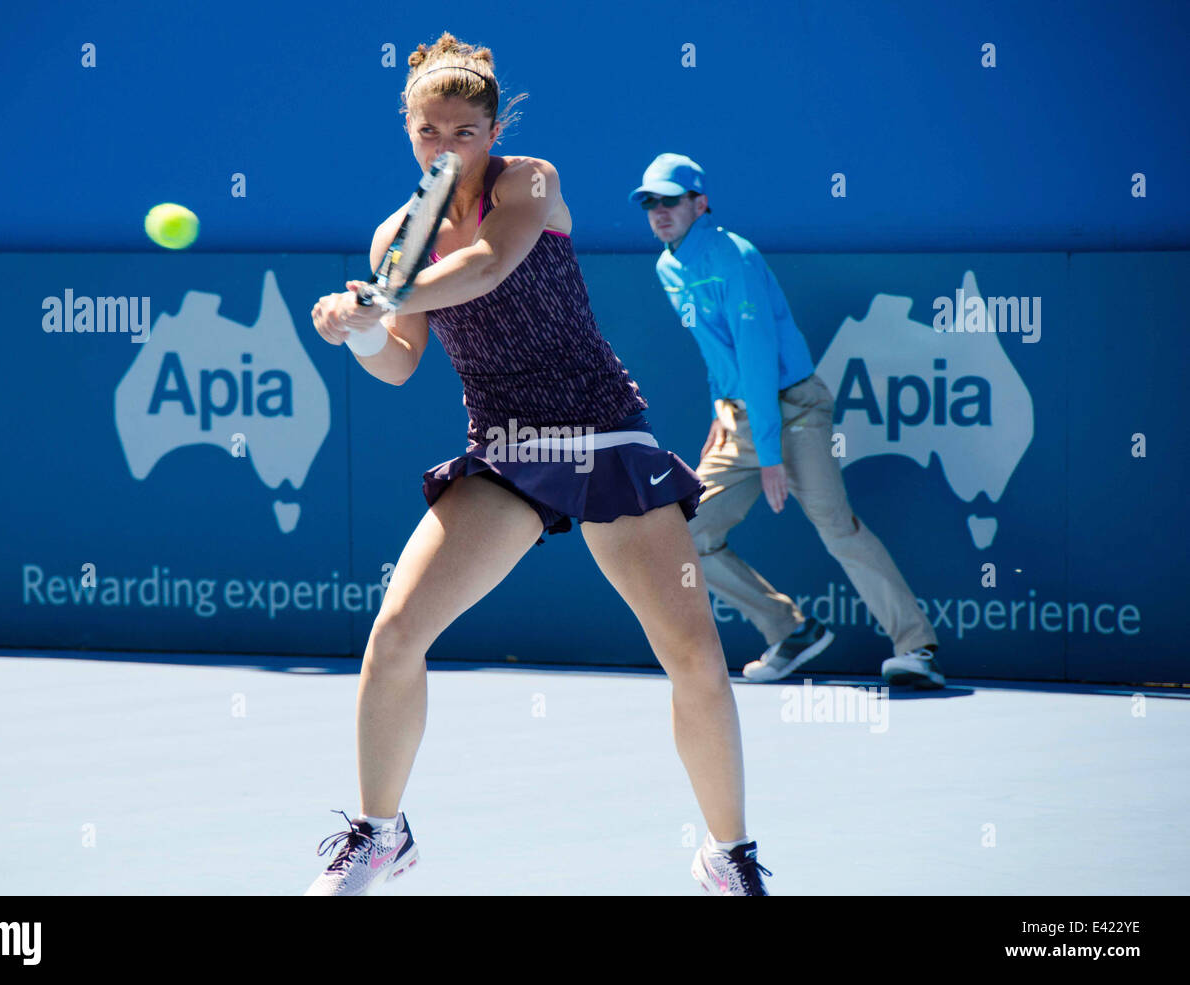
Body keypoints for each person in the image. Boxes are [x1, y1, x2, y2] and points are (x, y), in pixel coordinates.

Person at [306, 35, 770, 896]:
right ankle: (380, 835)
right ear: (407, 130)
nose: (446, 148)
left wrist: (388, 294)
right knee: (397, 634)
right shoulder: (395, 236)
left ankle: (727, 854)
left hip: (600, 430)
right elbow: (401, 360)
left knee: (695, 656)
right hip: (505, 449)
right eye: (428, 132)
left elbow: (488, 265)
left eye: (464, 132)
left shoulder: (530, 183)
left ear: (492, 129)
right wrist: (360, 327)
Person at [630, 153, 944, 689]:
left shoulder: (736, 257)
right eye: (650, 202)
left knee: (836, 527)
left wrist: (770, 455)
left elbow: (756, 353)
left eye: (670, 199)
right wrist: (719, 412)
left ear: (699, 203)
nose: (659, 211)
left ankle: (917, 648)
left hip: (793, 412)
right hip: (737, 417)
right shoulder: (667, 266)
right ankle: (789, 630)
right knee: (688, 535)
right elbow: (715, 348)